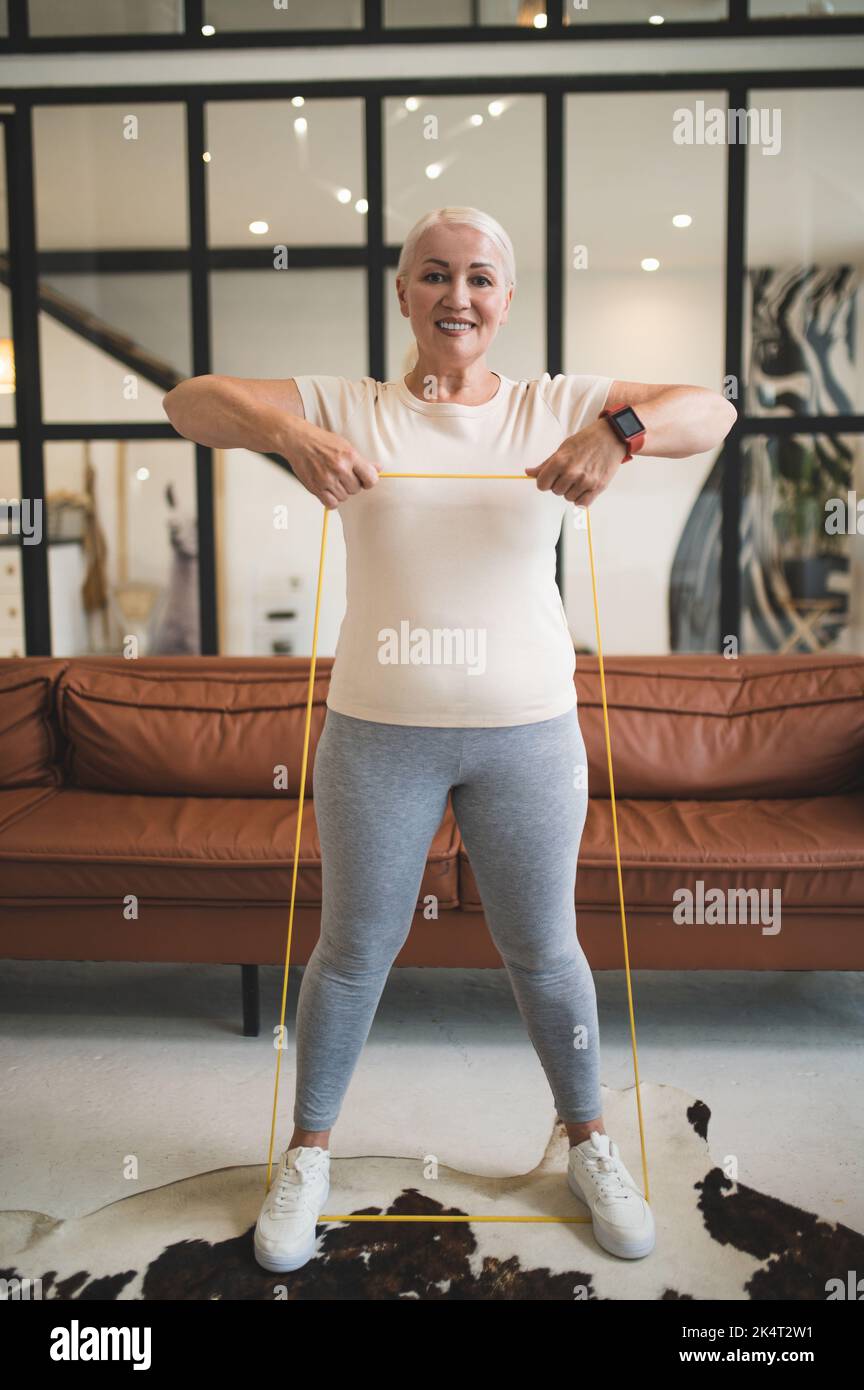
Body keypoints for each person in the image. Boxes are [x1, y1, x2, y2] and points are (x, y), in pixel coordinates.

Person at [163, 205, 736, 1276]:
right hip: (380, 733)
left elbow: (712, 411)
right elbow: (190, 400)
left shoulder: (557, 405)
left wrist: (619, 433)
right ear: (403, 294)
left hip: (529, 733)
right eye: (434, 276)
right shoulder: (349, 407)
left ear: (507, 300)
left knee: (546, 949)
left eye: (479, 278)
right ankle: (307, 1156)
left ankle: (589, 1143)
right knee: (352, 952)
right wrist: (287, 433)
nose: (458, 296)